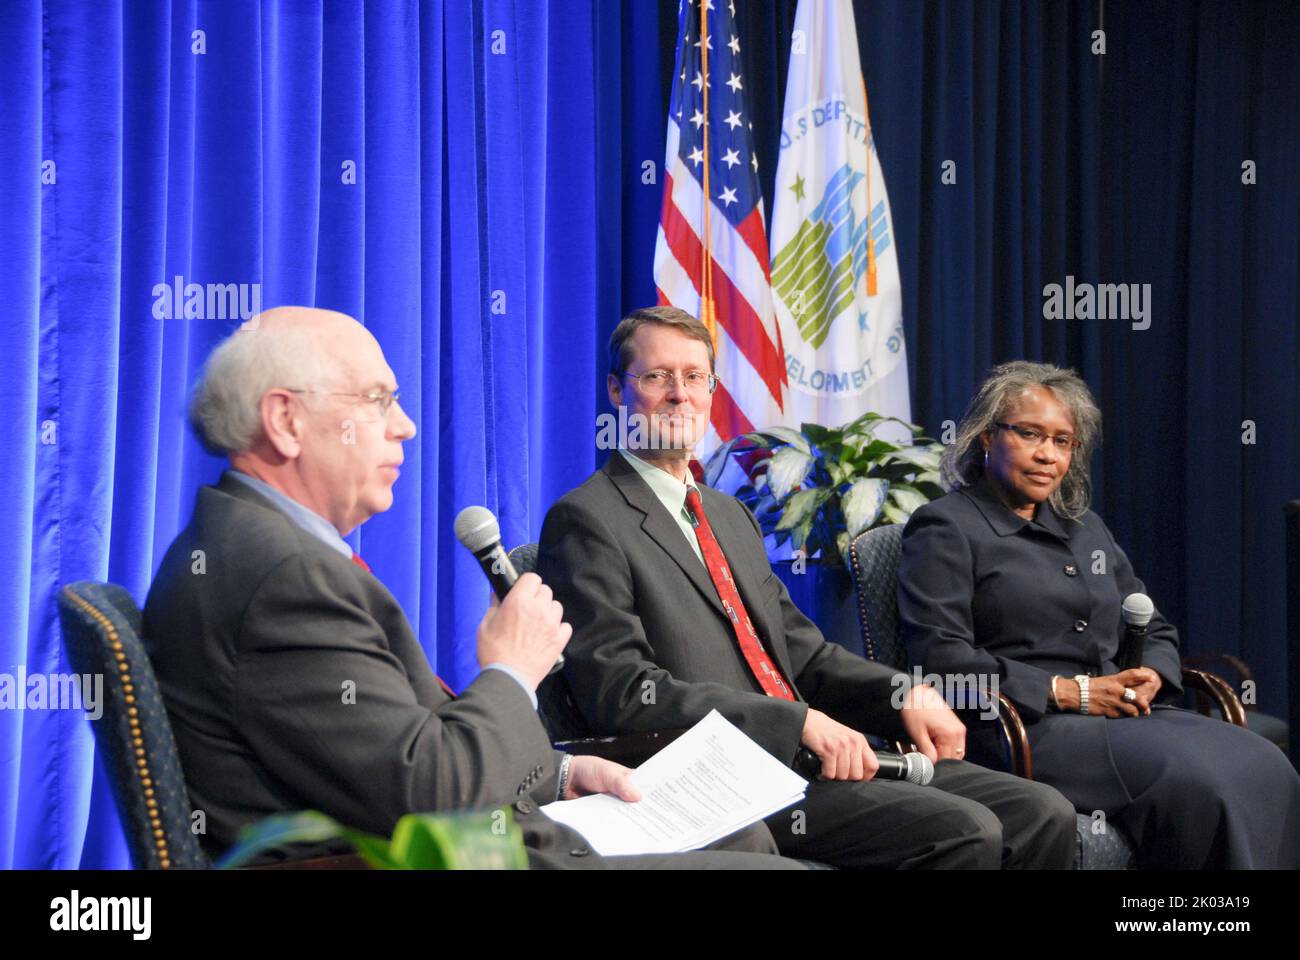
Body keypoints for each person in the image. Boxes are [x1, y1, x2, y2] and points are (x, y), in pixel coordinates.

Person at [144, 305, 799, 870]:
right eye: (377, 401)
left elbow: (407, 746)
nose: (405, 426)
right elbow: (431, 787)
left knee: (746, 834)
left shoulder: (263, 545)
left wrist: (564, 772)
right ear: (285, 421)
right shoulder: (279, 575)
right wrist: (512, 671)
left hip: (479, 835)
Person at [536, 306, 1077, 869]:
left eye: (695, 377)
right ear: (617, 392)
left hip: (808, 759)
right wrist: (797, 722)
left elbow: (806, 653)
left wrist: (903, 694)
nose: (680, 394)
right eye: (656, 377)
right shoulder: (588, 519)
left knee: (1043, 811)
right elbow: (622, 693)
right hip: (721, 780)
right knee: (965, 831)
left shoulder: (727, 514)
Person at [897, 360, 1300, 869]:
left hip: (1122, 718)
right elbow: (940, 659)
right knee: (1207, 782)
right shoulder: (945, 527)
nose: (1048, 455)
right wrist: (1068, 691)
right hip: (1023, 727)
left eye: (1063, 441)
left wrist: (1154, 672)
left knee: (1266, 763)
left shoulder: (1084, 528)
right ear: (985, 437)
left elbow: (1152, 624)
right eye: (1029, 434)